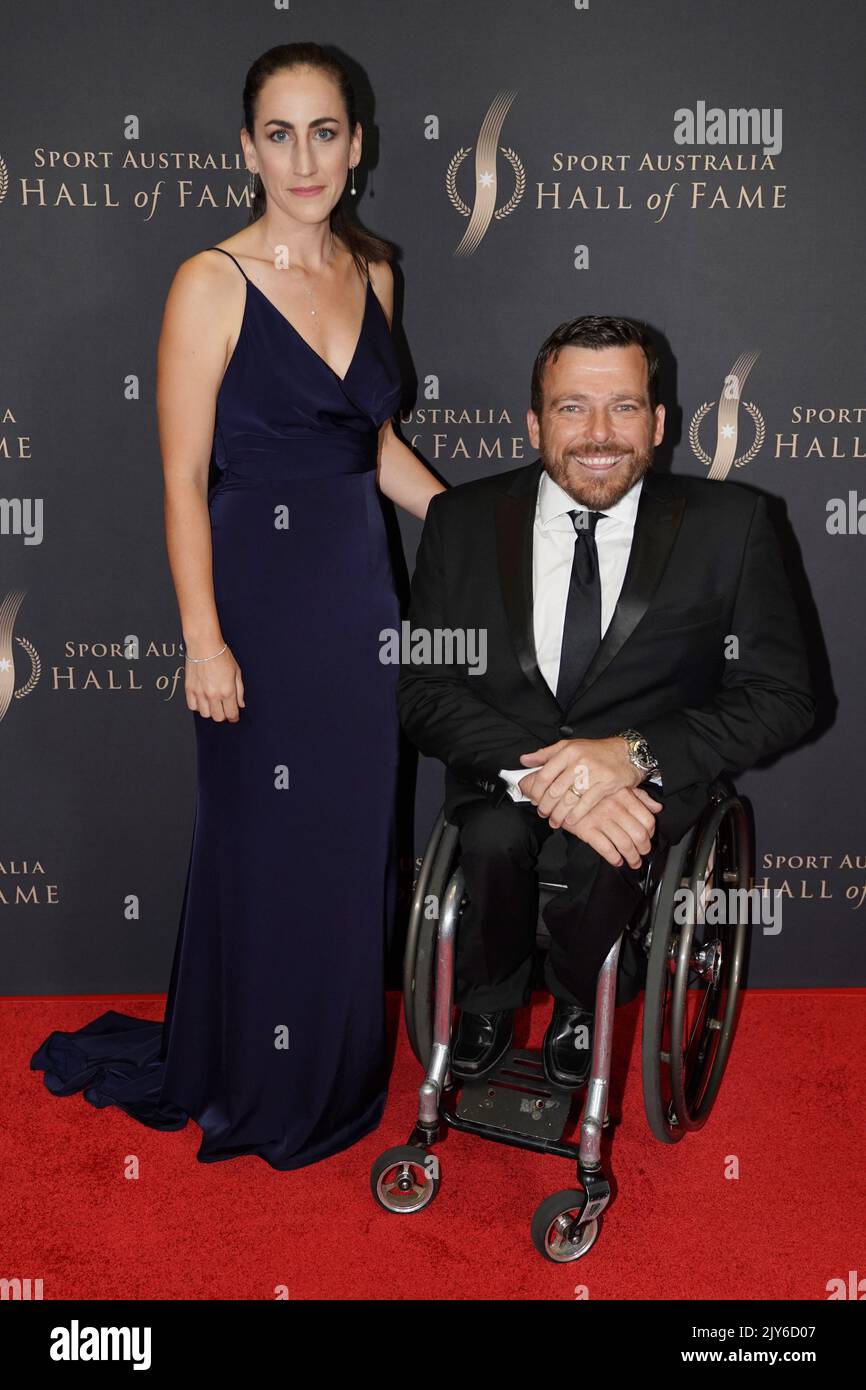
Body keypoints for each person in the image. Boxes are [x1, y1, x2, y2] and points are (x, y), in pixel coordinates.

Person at [31, 43, 444, 1169]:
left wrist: (458, 523)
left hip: (361, 599)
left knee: (354, 841)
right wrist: (201, 639)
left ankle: (337, 1067)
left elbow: (373, 447)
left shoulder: (376, 271)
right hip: (256, 604)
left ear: (357, 146)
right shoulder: (209, 281)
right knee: (262, 839)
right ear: (245, 148)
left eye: (325, 131)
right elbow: (178, 478)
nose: (303, 157)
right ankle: (250, 1076)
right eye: (279, 132)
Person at [397, 315, 815, 1089]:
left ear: (658, 424)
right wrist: (562, 780)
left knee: (614, 839)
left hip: (651, 790)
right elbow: (424, 690)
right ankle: (486, 999)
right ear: (534, 422)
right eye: (570, 408)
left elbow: (784, 696)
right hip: (504, 783)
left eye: (623, 407)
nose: (598, 433)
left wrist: (629, 756)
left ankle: (581, 1005)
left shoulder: (733, 526)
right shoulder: (461, 524)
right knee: (489, 832)